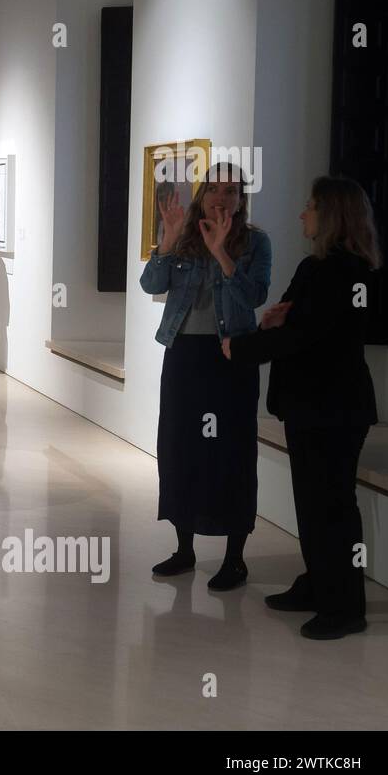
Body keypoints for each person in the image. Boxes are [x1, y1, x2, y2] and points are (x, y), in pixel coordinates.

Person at [225, 177, 381, 640]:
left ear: (330, 214)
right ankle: (319, 584)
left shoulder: (344, 271)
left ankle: (345, 605)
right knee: (314, 505)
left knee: (332, 507)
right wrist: (275, 321)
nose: (302, 214)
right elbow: (291, 317)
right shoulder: (319, 267)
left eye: (310, 206)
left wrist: (244, 346)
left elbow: (304, 334)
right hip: (313, 405)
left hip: (334, 407)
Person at [139, 162, 271, 590]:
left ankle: (235, 558)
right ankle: (184, 547)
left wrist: (222, 253)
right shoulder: (185, 236)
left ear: (241, 200)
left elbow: (255, 295)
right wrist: (169, 240)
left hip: (231, 357)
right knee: (179, 448)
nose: (222, 197)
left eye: (231, 191)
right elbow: (150, 283)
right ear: (201, 194)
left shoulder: (255, 242)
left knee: (231, 453)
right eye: (214, 188)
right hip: (184, 355)